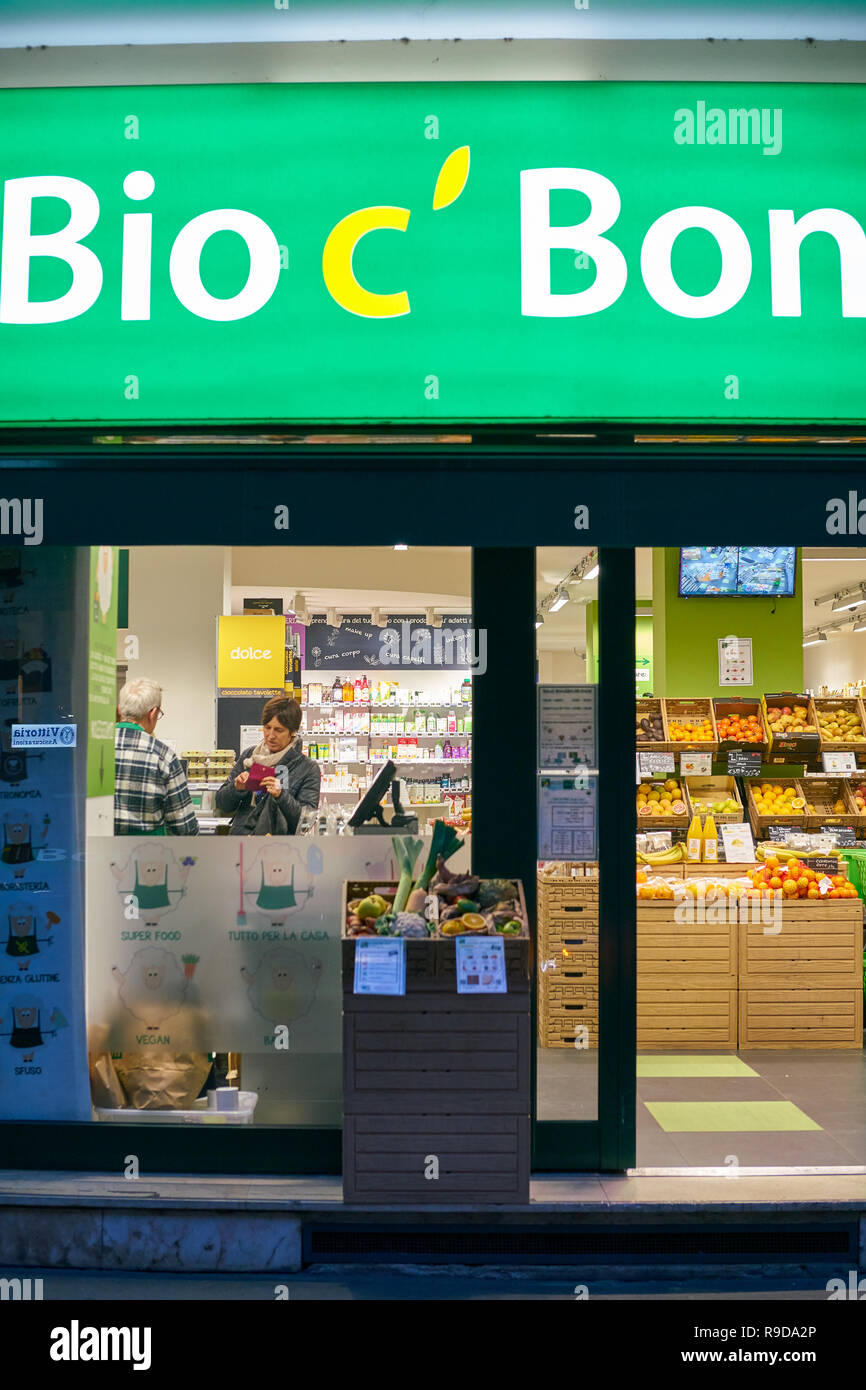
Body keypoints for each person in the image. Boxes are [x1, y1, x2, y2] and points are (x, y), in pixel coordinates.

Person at [216, 695, 320, 835]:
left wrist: (281, 795)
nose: (270, 735)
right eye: (267, 727)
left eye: (278, 730)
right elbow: (222, 804)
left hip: (281, 848)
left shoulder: (307, 768)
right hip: (243, 844)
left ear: (293, 731)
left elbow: (307, 822)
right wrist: (236, 788)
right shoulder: (249, 756)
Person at [115, 677, 199, 835]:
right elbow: (185, 828)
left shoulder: (91, 749)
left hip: (96, 854)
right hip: (148, 854)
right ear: (152, 713)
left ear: (119, 710)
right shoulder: (163, 756)